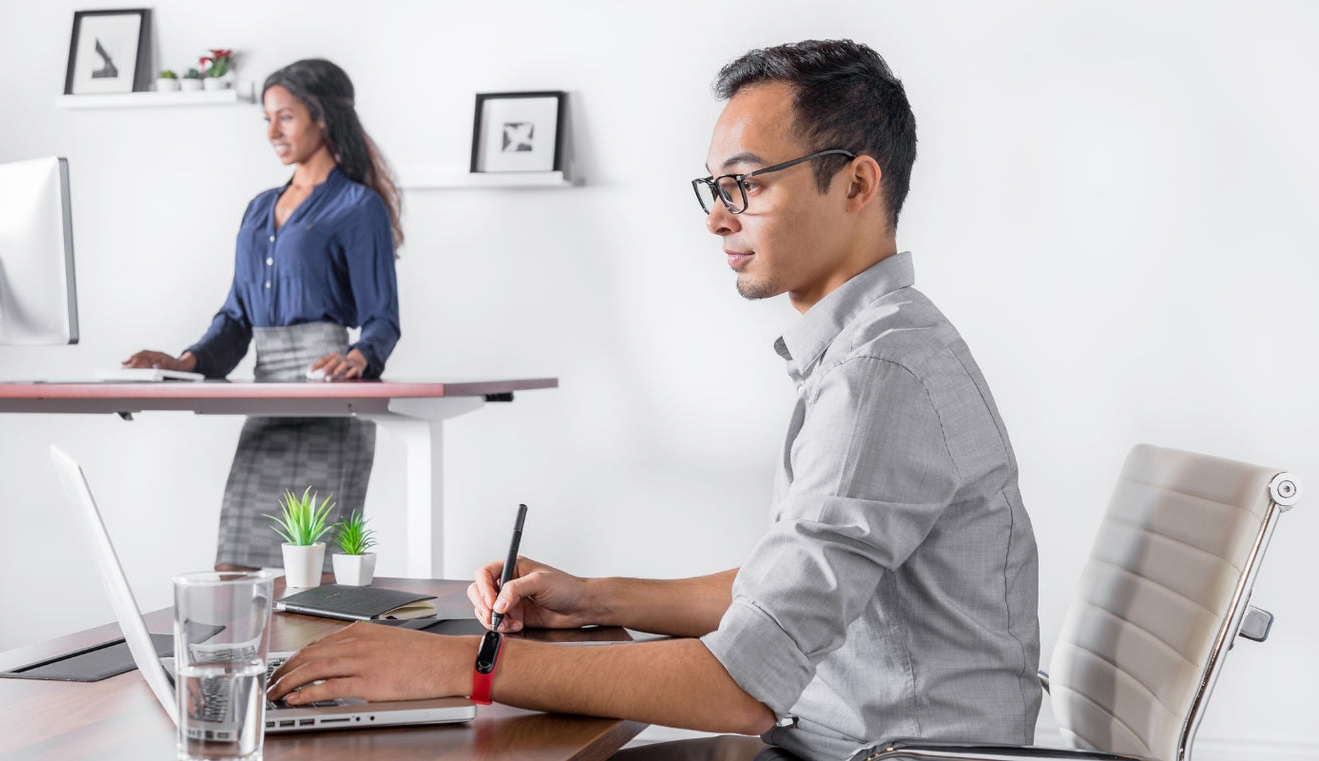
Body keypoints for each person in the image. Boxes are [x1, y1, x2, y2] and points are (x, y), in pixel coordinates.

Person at [266, 39, 1039, 761]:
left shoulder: (881, 375)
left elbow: (739, 688)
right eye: (715, 185)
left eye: (746, 182)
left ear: (858, 183)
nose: (716, 216)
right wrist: (586, 597)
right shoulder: (877, 347)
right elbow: (783, 589)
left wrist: (463, 663)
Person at [125, 59, 401, 572]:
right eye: (267, 119)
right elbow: (235, 319)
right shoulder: (258, 210)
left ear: (322, 118)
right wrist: (185, 361)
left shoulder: (357, 206)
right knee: (235, 567)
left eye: (286, 117)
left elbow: (382, 318)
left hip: (328, 405)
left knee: (311, 581)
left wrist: (360, 356)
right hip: (268, 402)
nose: (273, 131)